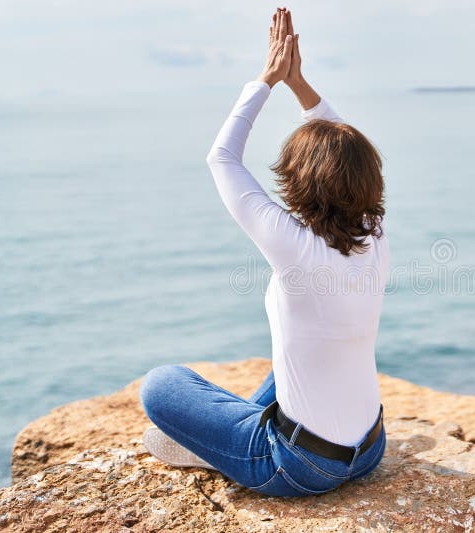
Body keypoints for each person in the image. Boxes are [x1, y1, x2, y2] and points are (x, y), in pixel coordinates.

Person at [139, 7, 390, 497]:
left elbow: (221, 157)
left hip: (302, 467)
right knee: (293, 365)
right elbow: (345, 145)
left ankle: (226, 450)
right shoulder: (374, 233)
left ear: (297, 181)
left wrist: (268, 79)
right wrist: (301, 85)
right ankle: (226, 440)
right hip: (369, 450)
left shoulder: (294, 246)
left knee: (161, 384)